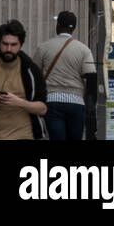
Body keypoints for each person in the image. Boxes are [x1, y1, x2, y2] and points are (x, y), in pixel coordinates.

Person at [0, 20, 49, 140]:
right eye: (5, 44)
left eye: (13, 45)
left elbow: (43, 109)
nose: (8, 49)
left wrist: (19, 102)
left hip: (23, 135)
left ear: (20, 45)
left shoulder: (31, 70)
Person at [34, 11, 97, 141]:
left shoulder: (43, 47)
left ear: (57, 26)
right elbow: (91, 78)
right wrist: (91, 107)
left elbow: (35, 75)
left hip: (51, 101)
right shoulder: (84, 49)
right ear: (74, 28)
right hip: (76, 103)